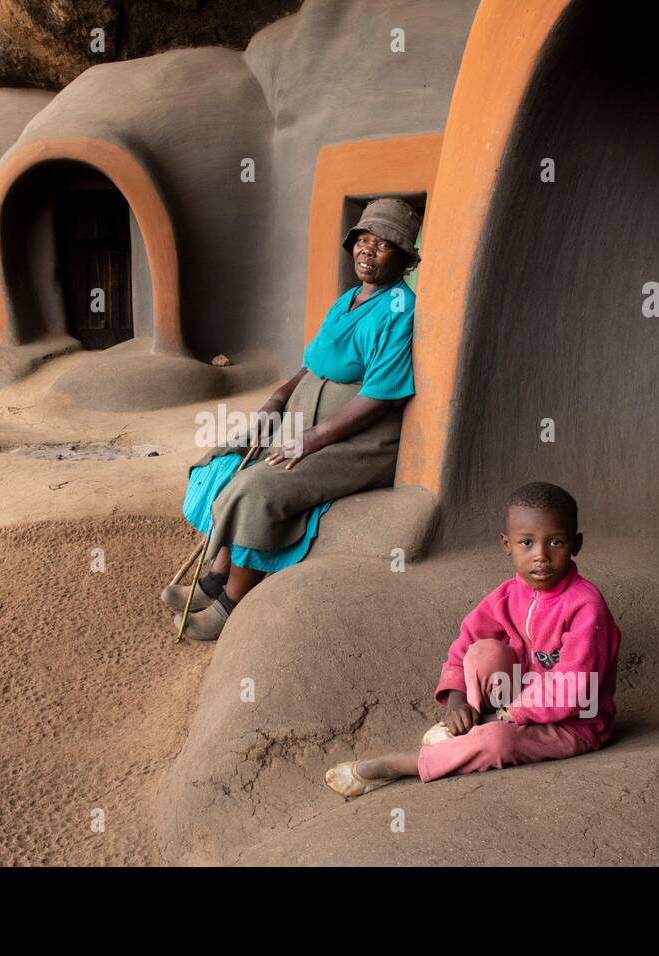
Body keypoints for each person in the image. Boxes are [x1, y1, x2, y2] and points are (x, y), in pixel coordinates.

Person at [162, 197, 423, 641]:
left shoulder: (400, 309)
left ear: (402, 258)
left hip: (356, 441)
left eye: (382, 245)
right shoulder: (348, 300)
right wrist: (277, 399)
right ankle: (217, 575)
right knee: (231, 462)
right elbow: (312, 364)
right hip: (301, 423)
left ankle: (233, 601)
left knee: (258, 488)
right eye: (363, 240)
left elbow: (379, 397)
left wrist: (313, 439)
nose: (368, 250)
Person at [324, 481, 621, 796]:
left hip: (573, 724)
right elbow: (467, 643)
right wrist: (457, 701)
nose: (541, 556)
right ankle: (467, 725)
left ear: (576, 544)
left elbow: (574, 688)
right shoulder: (507, 595)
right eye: (526, 543)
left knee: (498, 741)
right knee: (484, 653)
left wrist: (504, 717)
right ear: (507, 544)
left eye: (556, 542)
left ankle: (400, 764)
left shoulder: (586, 606)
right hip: (512, 702)